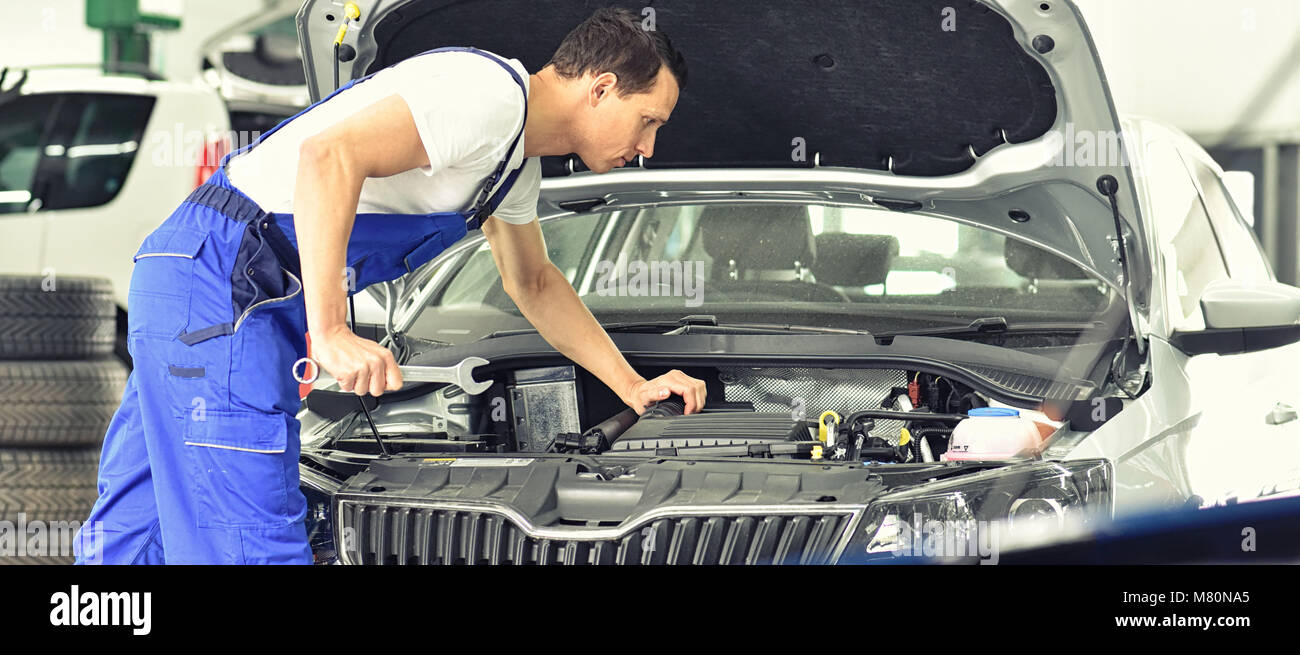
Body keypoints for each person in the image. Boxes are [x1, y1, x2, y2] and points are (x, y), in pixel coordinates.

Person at [75, 7, 702, 565]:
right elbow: (329, 156)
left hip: (199, 279)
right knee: (248, 539)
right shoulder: (488, 97)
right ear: (602, 88)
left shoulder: (512, 165)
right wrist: (331, 330)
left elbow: (534, 282)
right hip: (227, 282)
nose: (647, 147)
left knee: (137, 534)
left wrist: (633, 386)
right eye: (649, 121)